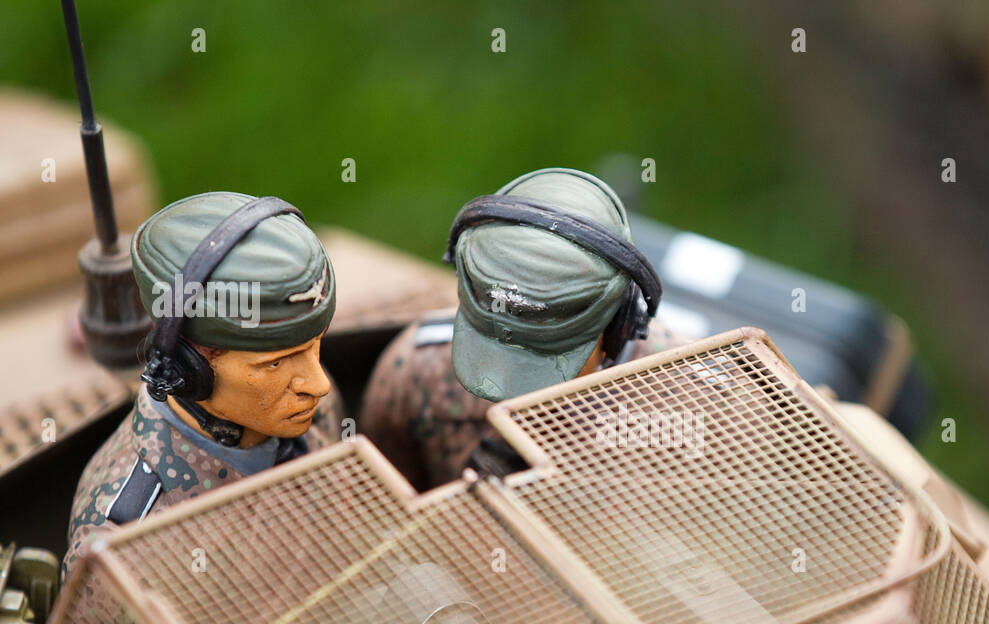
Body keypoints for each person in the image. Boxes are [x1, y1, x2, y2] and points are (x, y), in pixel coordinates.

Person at [63, 191, 341, 580]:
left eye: (315, 347)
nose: (319, 384)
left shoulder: (306, 408)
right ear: (191, 371)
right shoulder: (127, 541)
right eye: (274, 364)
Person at [359, 167, 688, 490]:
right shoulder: (417, 374)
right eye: (493, 348)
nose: (513, 388)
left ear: (618, 326)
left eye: (547, 360)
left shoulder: (691, 400)